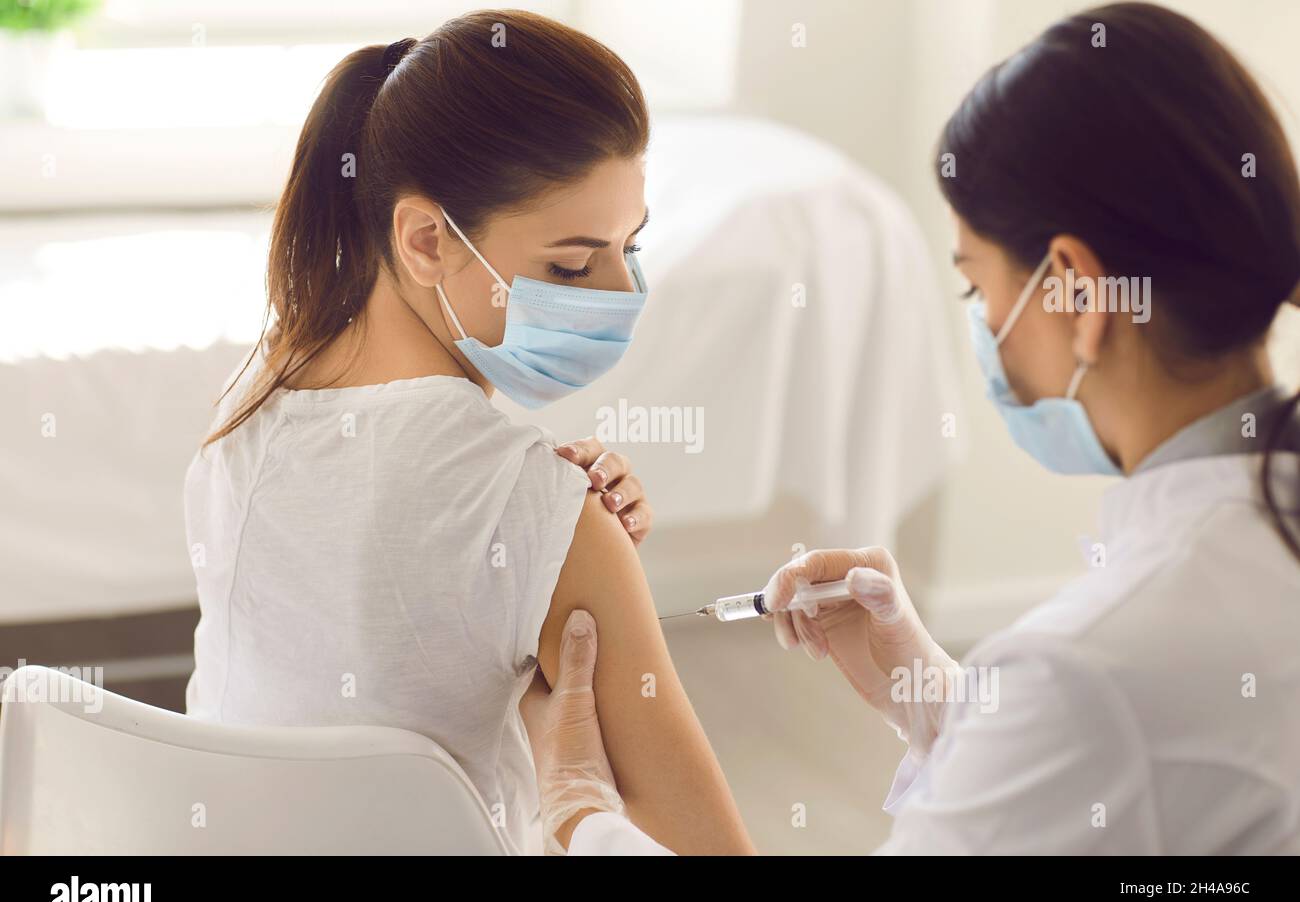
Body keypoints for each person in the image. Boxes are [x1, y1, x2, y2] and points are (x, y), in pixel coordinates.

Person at [524, 2, 1300, 855]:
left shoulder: (1094, 670)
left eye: (977, 287)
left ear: (1077, 293)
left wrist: (578, 811)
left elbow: (1107, 724)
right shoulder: (1199, 593)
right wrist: (933, 691)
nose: (978, 321)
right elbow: (1146, 768)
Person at [184, 10, 752, 856]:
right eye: (570, 264)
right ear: (426, 239)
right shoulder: (531, 500)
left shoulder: (247, 403)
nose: (618, 292)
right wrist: (561, 531)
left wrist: (546, 545)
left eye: (630, 247)